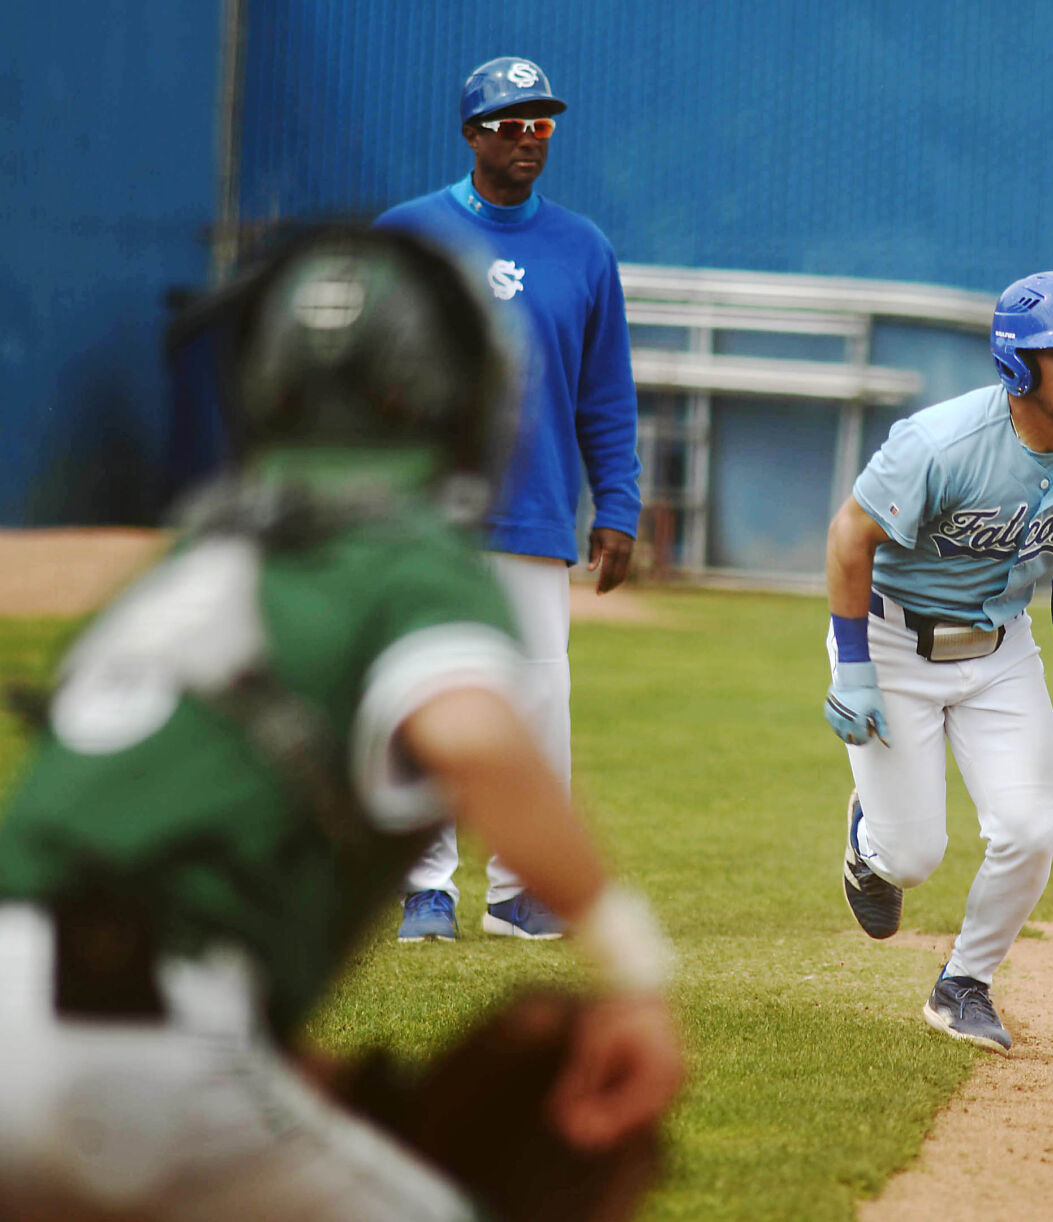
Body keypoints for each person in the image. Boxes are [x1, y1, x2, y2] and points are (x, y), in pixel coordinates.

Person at [0, 228, 684, 1221]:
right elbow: (476, 737)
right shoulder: (407, 550)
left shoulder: (198, 555)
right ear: (457, 395)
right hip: (138, 1058)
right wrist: (634, 974)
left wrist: (309, 1079)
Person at [822, 270, 1053, 1054]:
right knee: (913, 856)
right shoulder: (940, 443)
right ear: (1018, 362)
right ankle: (870, 847)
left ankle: (964, 984)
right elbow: (848, 539)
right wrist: (853, 664)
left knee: (1030, 831)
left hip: (1000, 650)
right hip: (893, 644)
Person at [373, 55, 642, 942]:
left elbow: (604, 394)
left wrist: (619, 506)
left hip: (534, 511)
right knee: (424, 695)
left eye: (543, 124)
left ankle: (521, 892)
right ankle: (425, 890)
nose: (530, 138)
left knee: (535, 701)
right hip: (424, 513)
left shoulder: (583, 248)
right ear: (472, 133)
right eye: (512, 123)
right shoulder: (406, 237)